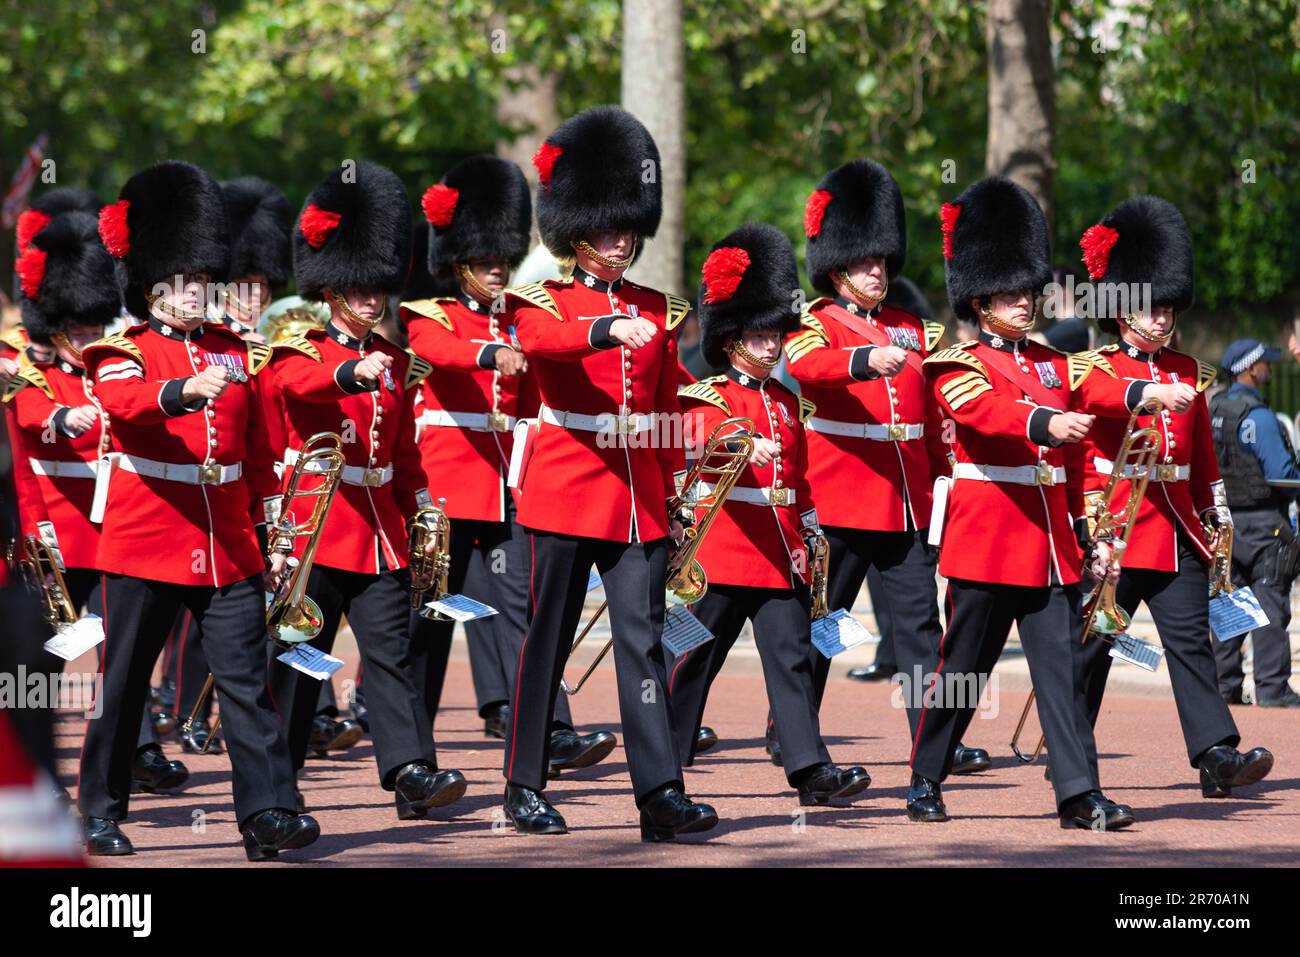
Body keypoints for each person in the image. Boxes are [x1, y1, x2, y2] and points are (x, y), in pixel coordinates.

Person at [78, 160, 316, 859]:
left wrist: (275, 531)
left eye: (199, 280)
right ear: (152, 285)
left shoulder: (238, 351)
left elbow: (262, 450)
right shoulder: (120, 350)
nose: (192, 293)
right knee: (122, 685)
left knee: (247, 685)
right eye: (179, 283)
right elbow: (124, 404)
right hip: (148, 536)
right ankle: (99, 808)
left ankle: (268, 811)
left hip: (229, 544)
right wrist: (182, 390)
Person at [501, 105, 716, 841]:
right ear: (575, 227)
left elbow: (663, 406)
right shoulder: (540, 300)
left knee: (645, 642)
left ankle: (659, 789)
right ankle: (523, 783)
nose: (619, 239)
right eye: (606, 226)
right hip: (564, 489)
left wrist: (677, 489)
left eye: (627, 226)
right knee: (547, 641)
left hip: (637, 502)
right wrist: (600, 326)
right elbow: (546, 346)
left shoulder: (661, 308)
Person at [914, 177, 1142, 828]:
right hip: (987, 543)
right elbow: (983, 414)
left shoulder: (1054, 363)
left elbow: (1075, 462)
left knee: (1063, 676)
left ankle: (1077, 794)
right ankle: (926, 775)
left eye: (1027, 290)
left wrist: (1088, 527)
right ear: (981, 300)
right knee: (962, 672)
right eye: (1010, 293)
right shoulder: (956, 364)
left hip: (1050, 550)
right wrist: (1043, 423)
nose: (1023, 302)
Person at [265, 160, 467, 820]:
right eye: (358, 286)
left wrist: (419, 508)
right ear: (330, 288)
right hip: (319, 525)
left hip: (378, 529)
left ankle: (410, 767)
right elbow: (302, 389)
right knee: (300, 658)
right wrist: (353, 372)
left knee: (393, 652)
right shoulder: (300, 345)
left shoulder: (400, 361)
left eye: (377, 285)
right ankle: (278, 783)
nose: (371, 298)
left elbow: (402, 452)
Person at [402, 154, 615, 772]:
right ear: (458, 261)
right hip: (447, 490)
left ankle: (549, 727)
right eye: (485, 261)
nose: (497, 271)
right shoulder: (429, 316)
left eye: (503, 260)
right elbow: (441, 353)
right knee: (431, 626)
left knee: (525, 611)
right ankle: (416, 757)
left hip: (510, 488)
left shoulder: (526, 314)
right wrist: (495, 351)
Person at [780, 160, 988, 774]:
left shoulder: (915, 329)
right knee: (822, 622)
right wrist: (865, 358)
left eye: (882, 261)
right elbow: (810, 370)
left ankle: (934, 740)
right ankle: (791, 729)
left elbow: (935, 415)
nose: (878, 271)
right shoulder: (812, 323)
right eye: (866, 262)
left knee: (921, 630)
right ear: (838, 266)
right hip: (842, 494)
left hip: (906, 499)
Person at [1073, 197, 1275, 798]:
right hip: (1118, 528)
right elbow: (1103, 402)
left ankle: (1215, 753)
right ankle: (1072, 756)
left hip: (1175, 527)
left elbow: (1202, 458)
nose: (1161, 320)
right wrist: (1152, 393)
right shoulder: (1096, 367)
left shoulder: (1188, 369)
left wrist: (1215, 510)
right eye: (1148, 310)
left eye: (1166, 309)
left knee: (1189, 643)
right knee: (1095, 646)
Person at [668, 222, 871, 805]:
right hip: (726, 549)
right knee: (695, 661)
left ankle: (810, 771)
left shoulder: (787, 403)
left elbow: (801, 481)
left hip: (780, 550)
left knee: (792, 661)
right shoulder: (708, 396)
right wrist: (740, 445)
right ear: (730, 341)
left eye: (773, 337)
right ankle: (668, 769)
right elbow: (704, 446)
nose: (770, 347)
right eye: (757, 338)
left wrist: (808, 534)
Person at [6, 210, 187, 794]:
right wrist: (66, 417)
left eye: (91, 328)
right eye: (75, 332)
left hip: (116, 528)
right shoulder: (35, 379)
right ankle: (28, 749)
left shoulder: (115, 367)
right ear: (56, 330)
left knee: (122, 651)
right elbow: (34, 420)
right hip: (62, 534)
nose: (84, 339)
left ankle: (138, 749)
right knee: (51, 652)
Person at [1210, 338, 1300, 707]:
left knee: (1230, 605)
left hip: (1224, 522)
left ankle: (1225, 687)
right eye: (1264, 363)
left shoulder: (1213, 409)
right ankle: (1272, 689)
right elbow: (1282, 477)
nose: (1269, 368)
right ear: (1250, 369)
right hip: (1265, 524)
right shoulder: (1260, 417)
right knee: (1268, 607)